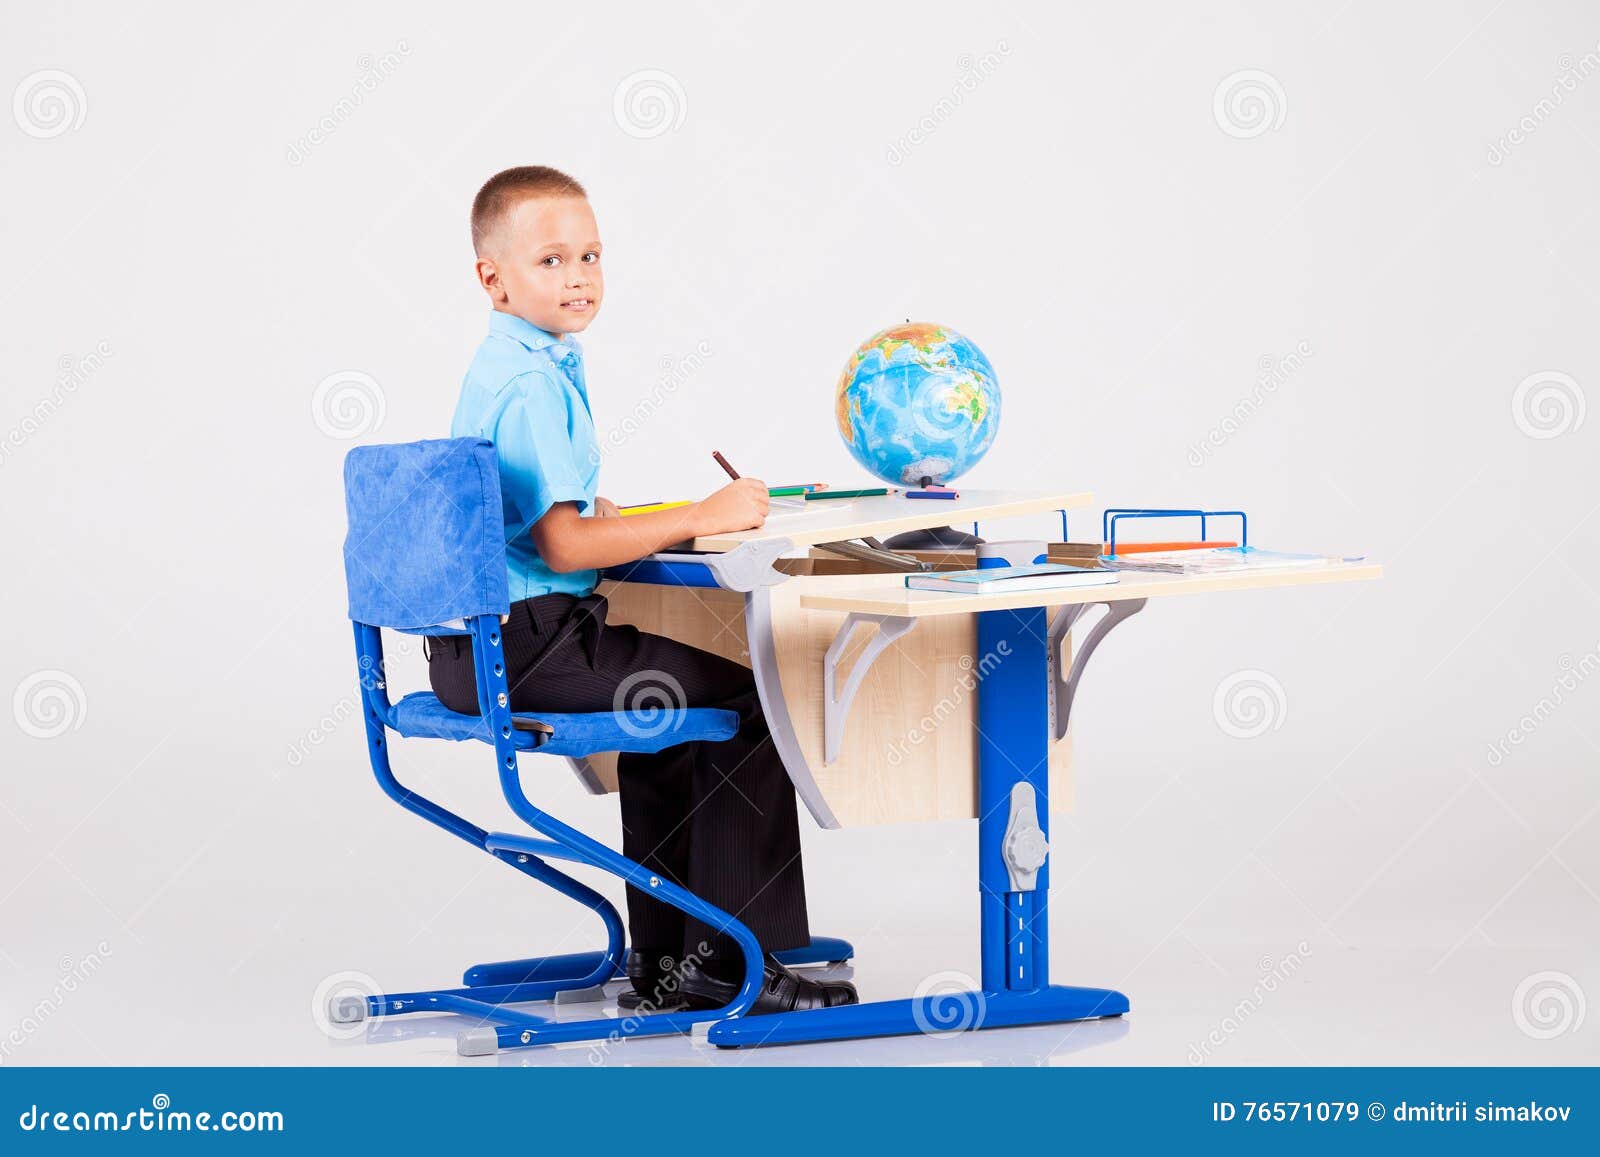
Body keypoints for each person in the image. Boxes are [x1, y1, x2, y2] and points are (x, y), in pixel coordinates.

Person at [427, 165, 856, 1014]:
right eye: (551, 260)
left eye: (590, 255)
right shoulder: (530, 384)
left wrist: (602, 517)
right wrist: (701, 513)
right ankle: (737, 966)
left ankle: (674, 961)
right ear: (493, 278)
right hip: (532, 645)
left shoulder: (517, 365)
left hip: (476, 650)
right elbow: (561, 542)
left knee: (665, 724)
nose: (579, 274)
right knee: (750, 699)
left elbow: (544, 524)